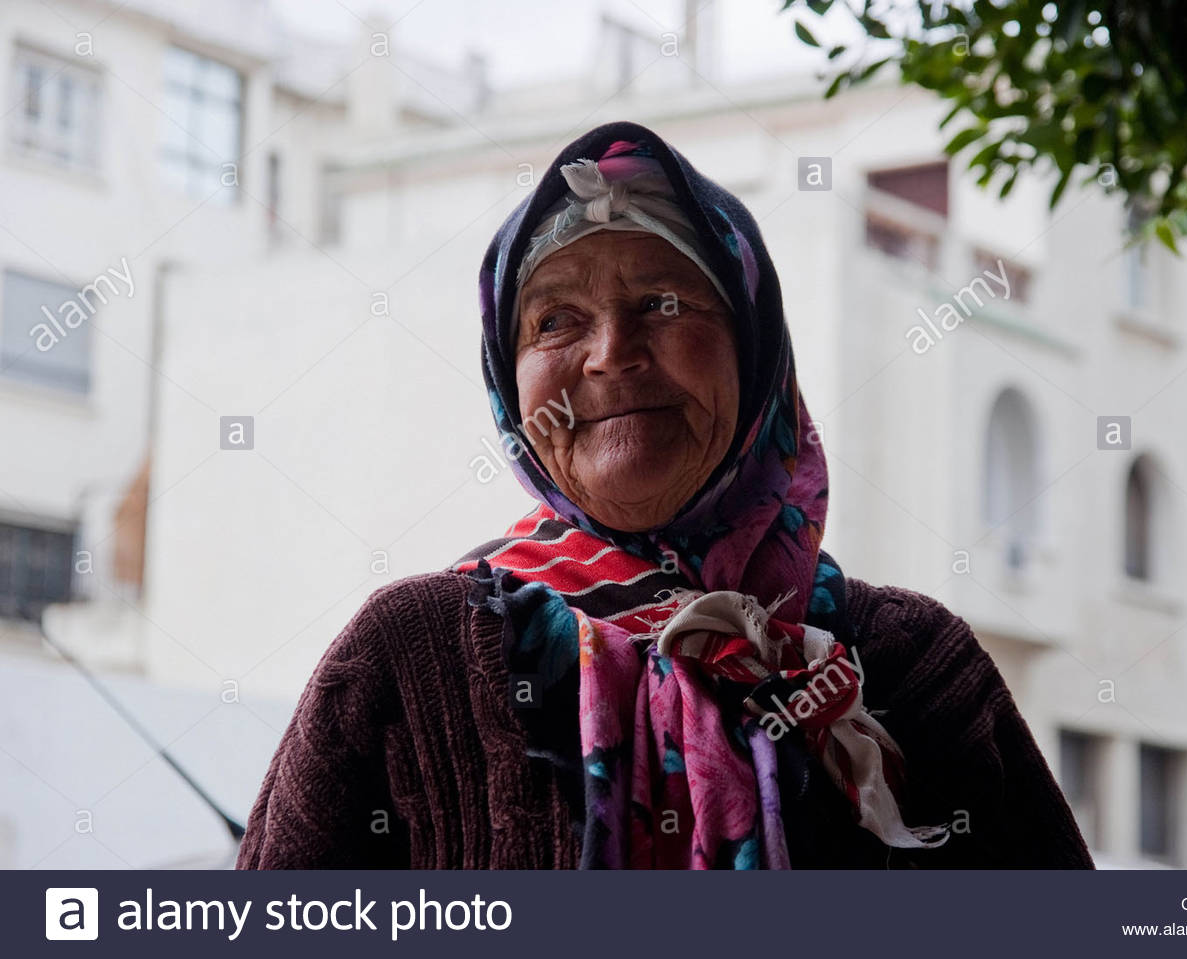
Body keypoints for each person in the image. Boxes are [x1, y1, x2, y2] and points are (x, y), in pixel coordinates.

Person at [236, 121, 1094, 870]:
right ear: (510, 378)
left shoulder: (911, 664)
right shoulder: (408, 661)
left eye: (664, 301)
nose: (612, 353)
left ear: (753, 354)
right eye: (556, 320)